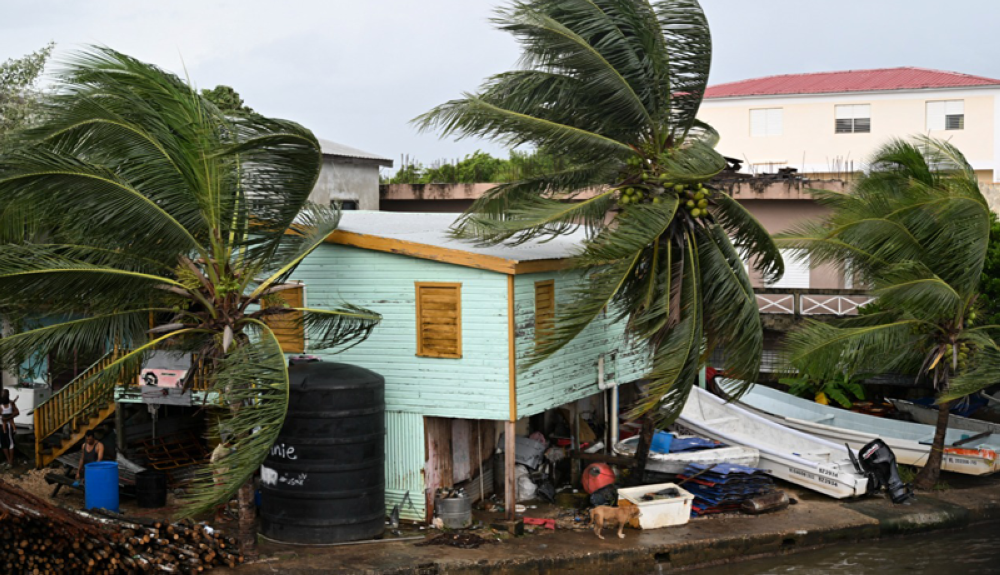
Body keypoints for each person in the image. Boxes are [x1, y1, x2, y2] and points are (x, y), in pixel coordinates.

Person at [1, 390, 19, 469]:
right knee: (3, 443)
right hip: (1, 425)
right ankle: (8, 460)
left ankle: (11, 461)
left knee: (10, 443)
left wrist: (8, 417)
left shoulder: (11, 403)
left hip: (8, 425)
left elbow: (17, 412)